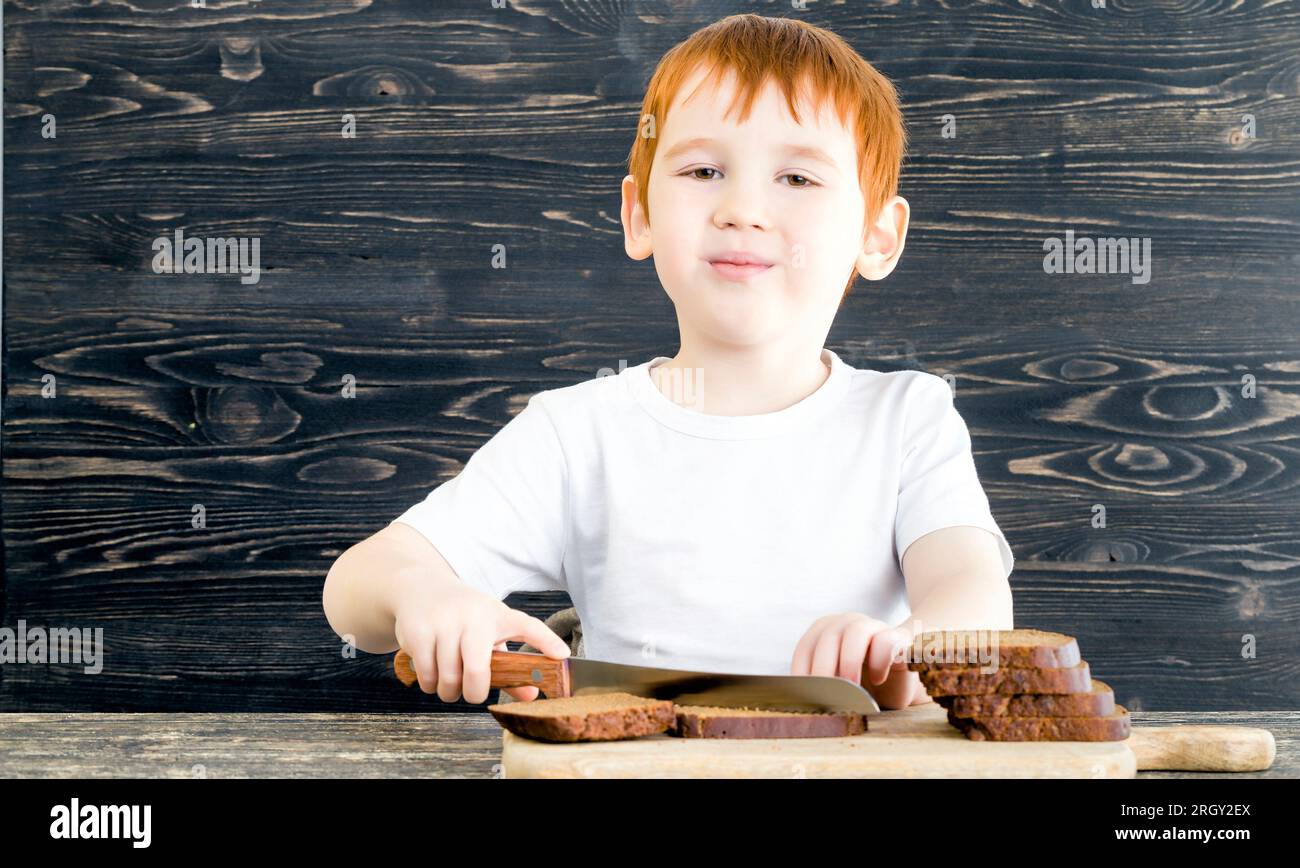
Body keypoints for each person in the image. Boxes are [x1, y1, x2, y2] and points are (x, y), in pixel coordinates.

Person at [323, 13, 1014, 710]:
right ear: (640, 215)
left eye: (798, 177)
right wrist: (428, 597)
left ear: (878, 235)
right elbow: (355, 588)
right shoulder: (578, 432)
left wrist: (913, 646)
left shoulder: (906, 419)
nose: (743, 208)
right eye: (704, 170)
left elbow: (976, 594)